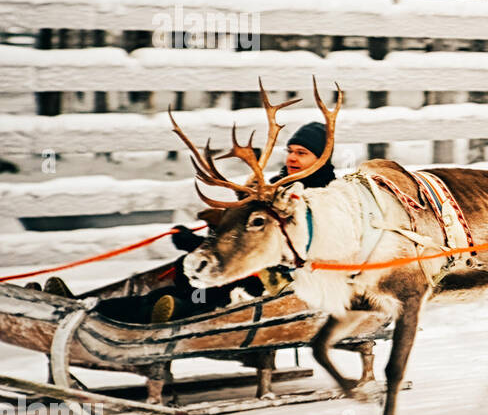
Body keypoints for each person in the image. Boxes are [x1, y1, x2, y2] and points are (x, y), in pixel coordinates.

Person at [86, 122, 337, 323]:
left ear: (321, 158)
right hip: (247, 264)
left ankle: (108, 316)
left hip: (278, 279)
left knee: (207, 291)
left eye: (301, 153)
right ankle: (92, 308)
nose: (292, 158)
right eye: (290, 151)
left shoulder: (323, 195)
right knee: (181, 276)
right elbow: (242, 230)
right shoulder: (271, 186)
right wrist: (201, 239)